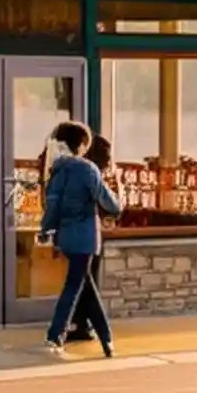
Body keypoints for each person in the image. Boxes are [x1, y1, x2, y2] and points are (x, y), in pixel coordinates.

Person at [39, 121, 120, 356]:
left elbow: (52, 206)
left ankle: (105, 339)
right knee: (75, 286)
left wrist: (46, 230)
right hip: (86, 238)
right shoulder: (88, 170)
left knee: (85, 287)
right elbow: (108, 202)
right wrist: (116, 206)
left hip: (66, 238)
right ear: (82, 145)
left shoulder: (58, 169)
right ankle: (56, 335)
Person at [66, 135, 117, 343]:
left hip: (84, 235)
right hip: (90, 235)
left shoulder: (87, 174)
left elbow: (112, 205)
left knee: (86, 280)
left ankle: (92, 327)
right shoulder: (92, 175)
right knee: (86, 279)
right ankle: (84, 324)